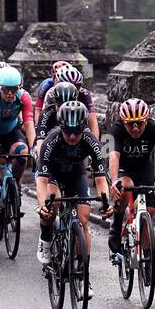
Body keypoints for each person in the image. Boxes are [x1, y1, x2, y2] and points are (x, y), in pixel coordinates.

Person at [35, 100, 110, 267]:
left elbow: (100, 179)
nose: (72, 137)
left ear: (84, 128)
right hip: (54, 173)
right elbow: (41, 181)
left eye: (77, 132)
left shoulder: (91, 141)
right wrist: (42, 206)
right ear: (61, 127)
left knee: (83, 220)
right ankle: (45, 238)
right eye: (67, 131)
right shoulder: (51, 141)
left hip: (76, 174)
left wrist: (106, 202)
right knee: (53, 202)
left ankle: (84, 273)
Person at [106, 97, 155, 254]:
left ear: (146, 120)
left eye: (139, 123)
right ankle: (117, 223)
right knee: (126, 187)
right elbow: (113, 157)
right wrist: (114, 181)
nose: (135, 128)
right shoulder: (116, 130)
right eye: (130, 124)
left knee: (149, 212)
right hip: (123, 170)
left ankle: (146, 262)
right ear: (123, 122)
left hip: (144, 170)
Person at [0, 66, 35, 234]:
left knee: (22, 153)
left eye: (13, 90)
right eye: (6, 90)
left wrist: (35, 147)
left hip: (11, 133)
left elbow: (29, 123)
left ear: (19, 87)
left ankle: (14, 185)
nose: (10, 94)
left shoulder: (23, 97)